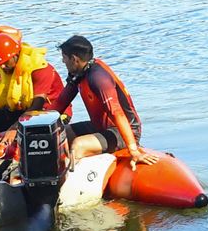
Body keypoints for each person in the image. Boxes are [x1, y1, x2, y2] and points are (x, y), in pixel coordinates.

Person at [47, 36, 157, 166]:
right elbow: (59, 105)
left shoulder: (98, 78)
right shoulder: (79, 74)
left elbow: (117, 113)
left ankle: (77, 182)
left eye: (64, 58)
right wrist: (38, 125)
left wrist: (133, 150)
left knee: (79, 145)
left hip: (121, 132)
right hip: (99, 126)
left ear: (74, 59)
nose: (63, 62)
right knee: (57, 134)